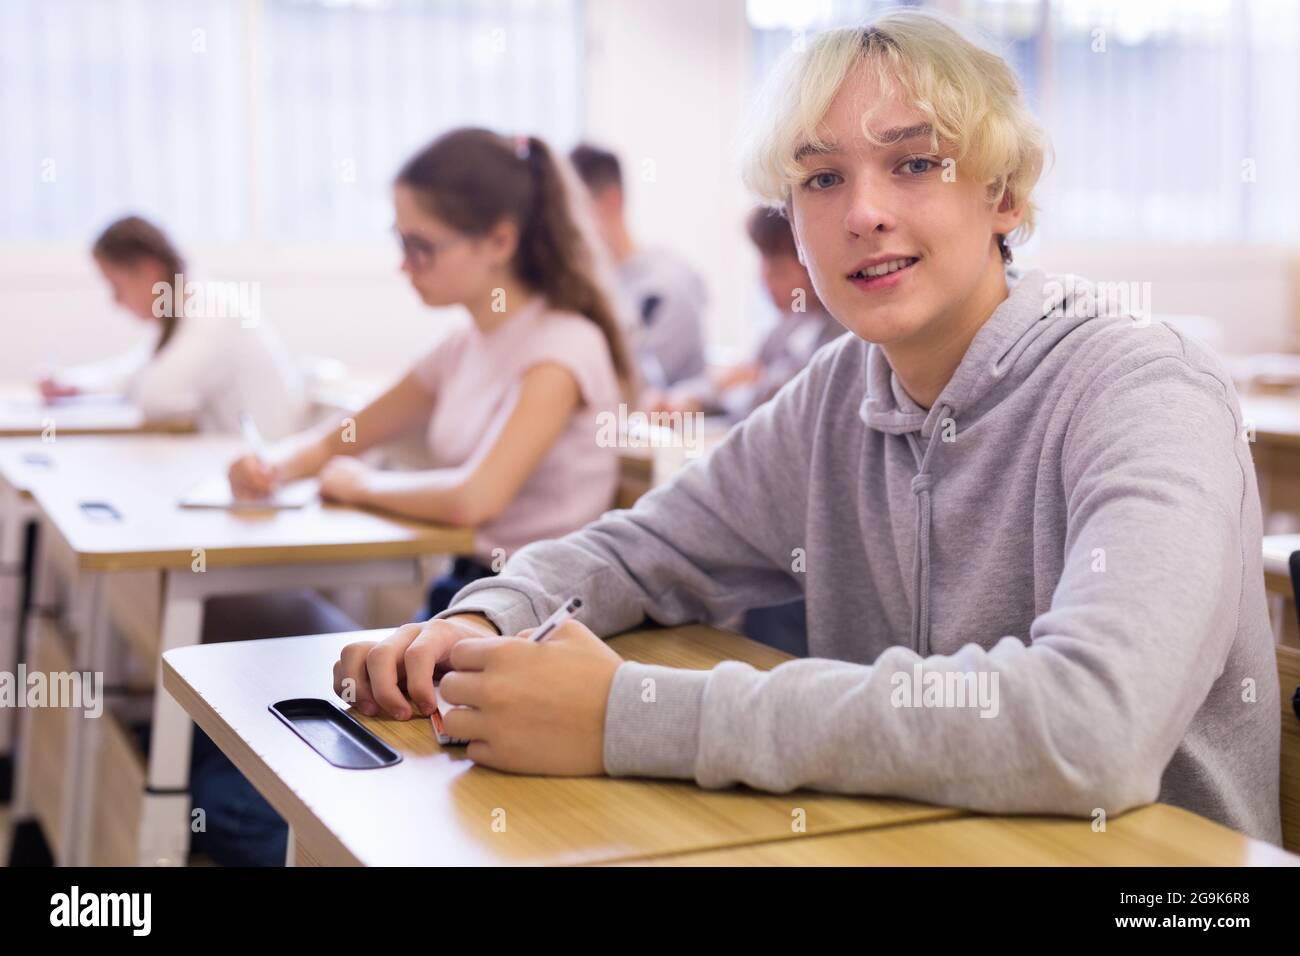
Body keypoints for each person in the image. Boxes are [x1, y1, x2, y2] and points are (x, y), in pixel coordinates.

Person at [334, 11, 1281, 843]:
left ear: (1005, 195)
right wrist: (486, 614)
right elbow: (642, 547)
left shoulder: (1141, 386)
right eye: (821, 180)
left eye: (915, 163)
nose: (863, 212)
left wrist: (636, 712)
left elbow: (1095, 729)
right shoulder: (841, 390)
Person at [230, 128, 632, 619]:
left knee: (291, 630)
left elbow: (475, 500)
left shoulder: (564, 347)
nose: (405, 265)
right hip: (475, 588)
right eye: (400, 241)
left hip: (539, 608)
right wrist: (270, 467)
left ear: (500, 241)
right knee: (277, 625)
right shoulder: (465, 346)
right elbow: (342, 439)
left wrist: (362, 486)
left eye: (422, 246)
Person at [40, 215, 307, 439]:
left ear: (149, 270)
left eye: (116, 286)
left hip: (261, 473)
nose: (116, 301)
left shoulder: (213, 316)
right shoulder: (187, 309)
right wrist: (74, 384)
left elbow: (156, 397)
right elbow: (138, 369)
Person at [570, 144, 708, 390]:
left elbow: (634, 385)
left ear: (612, 201)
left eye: (573, 208)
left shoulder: (665, 287)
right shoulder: (591, 283)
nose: (565, 225)